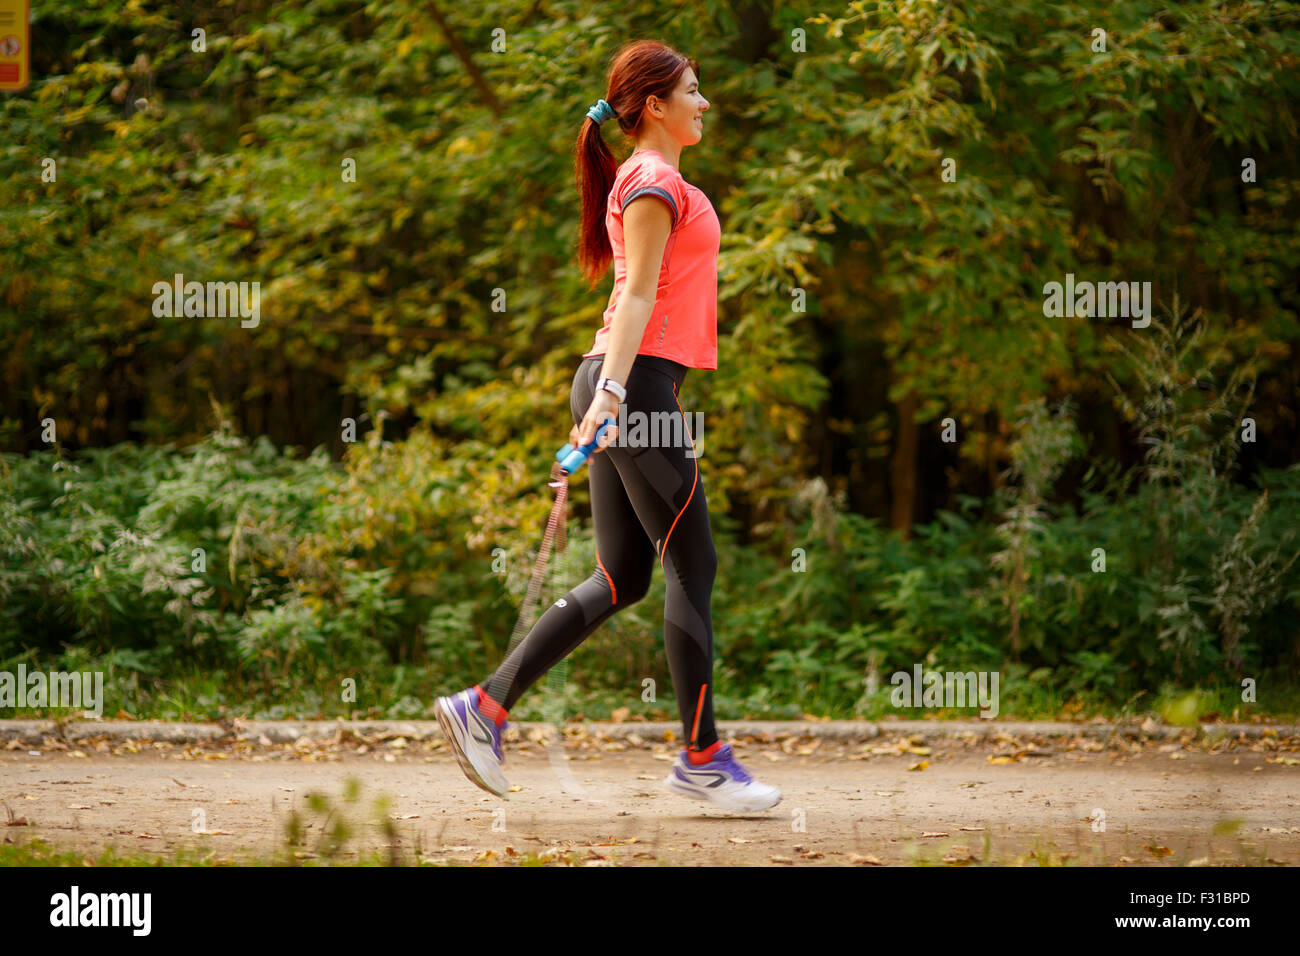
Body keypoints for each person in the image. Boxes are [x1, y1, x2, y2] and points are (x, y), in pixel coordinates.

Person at [435, 40, 780, 812]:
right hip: (635, 387)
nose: (705, 102)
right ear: (654, 105)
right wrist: (617, 394)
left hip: (625, 384)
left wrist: (609, 392)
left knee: (624, 574)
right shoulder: (654, 180)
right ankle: (703, 758)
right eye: (694, 90)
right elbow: (637, 297)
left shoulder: (649, 177)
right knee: (695, 563)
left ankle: (483, 708)